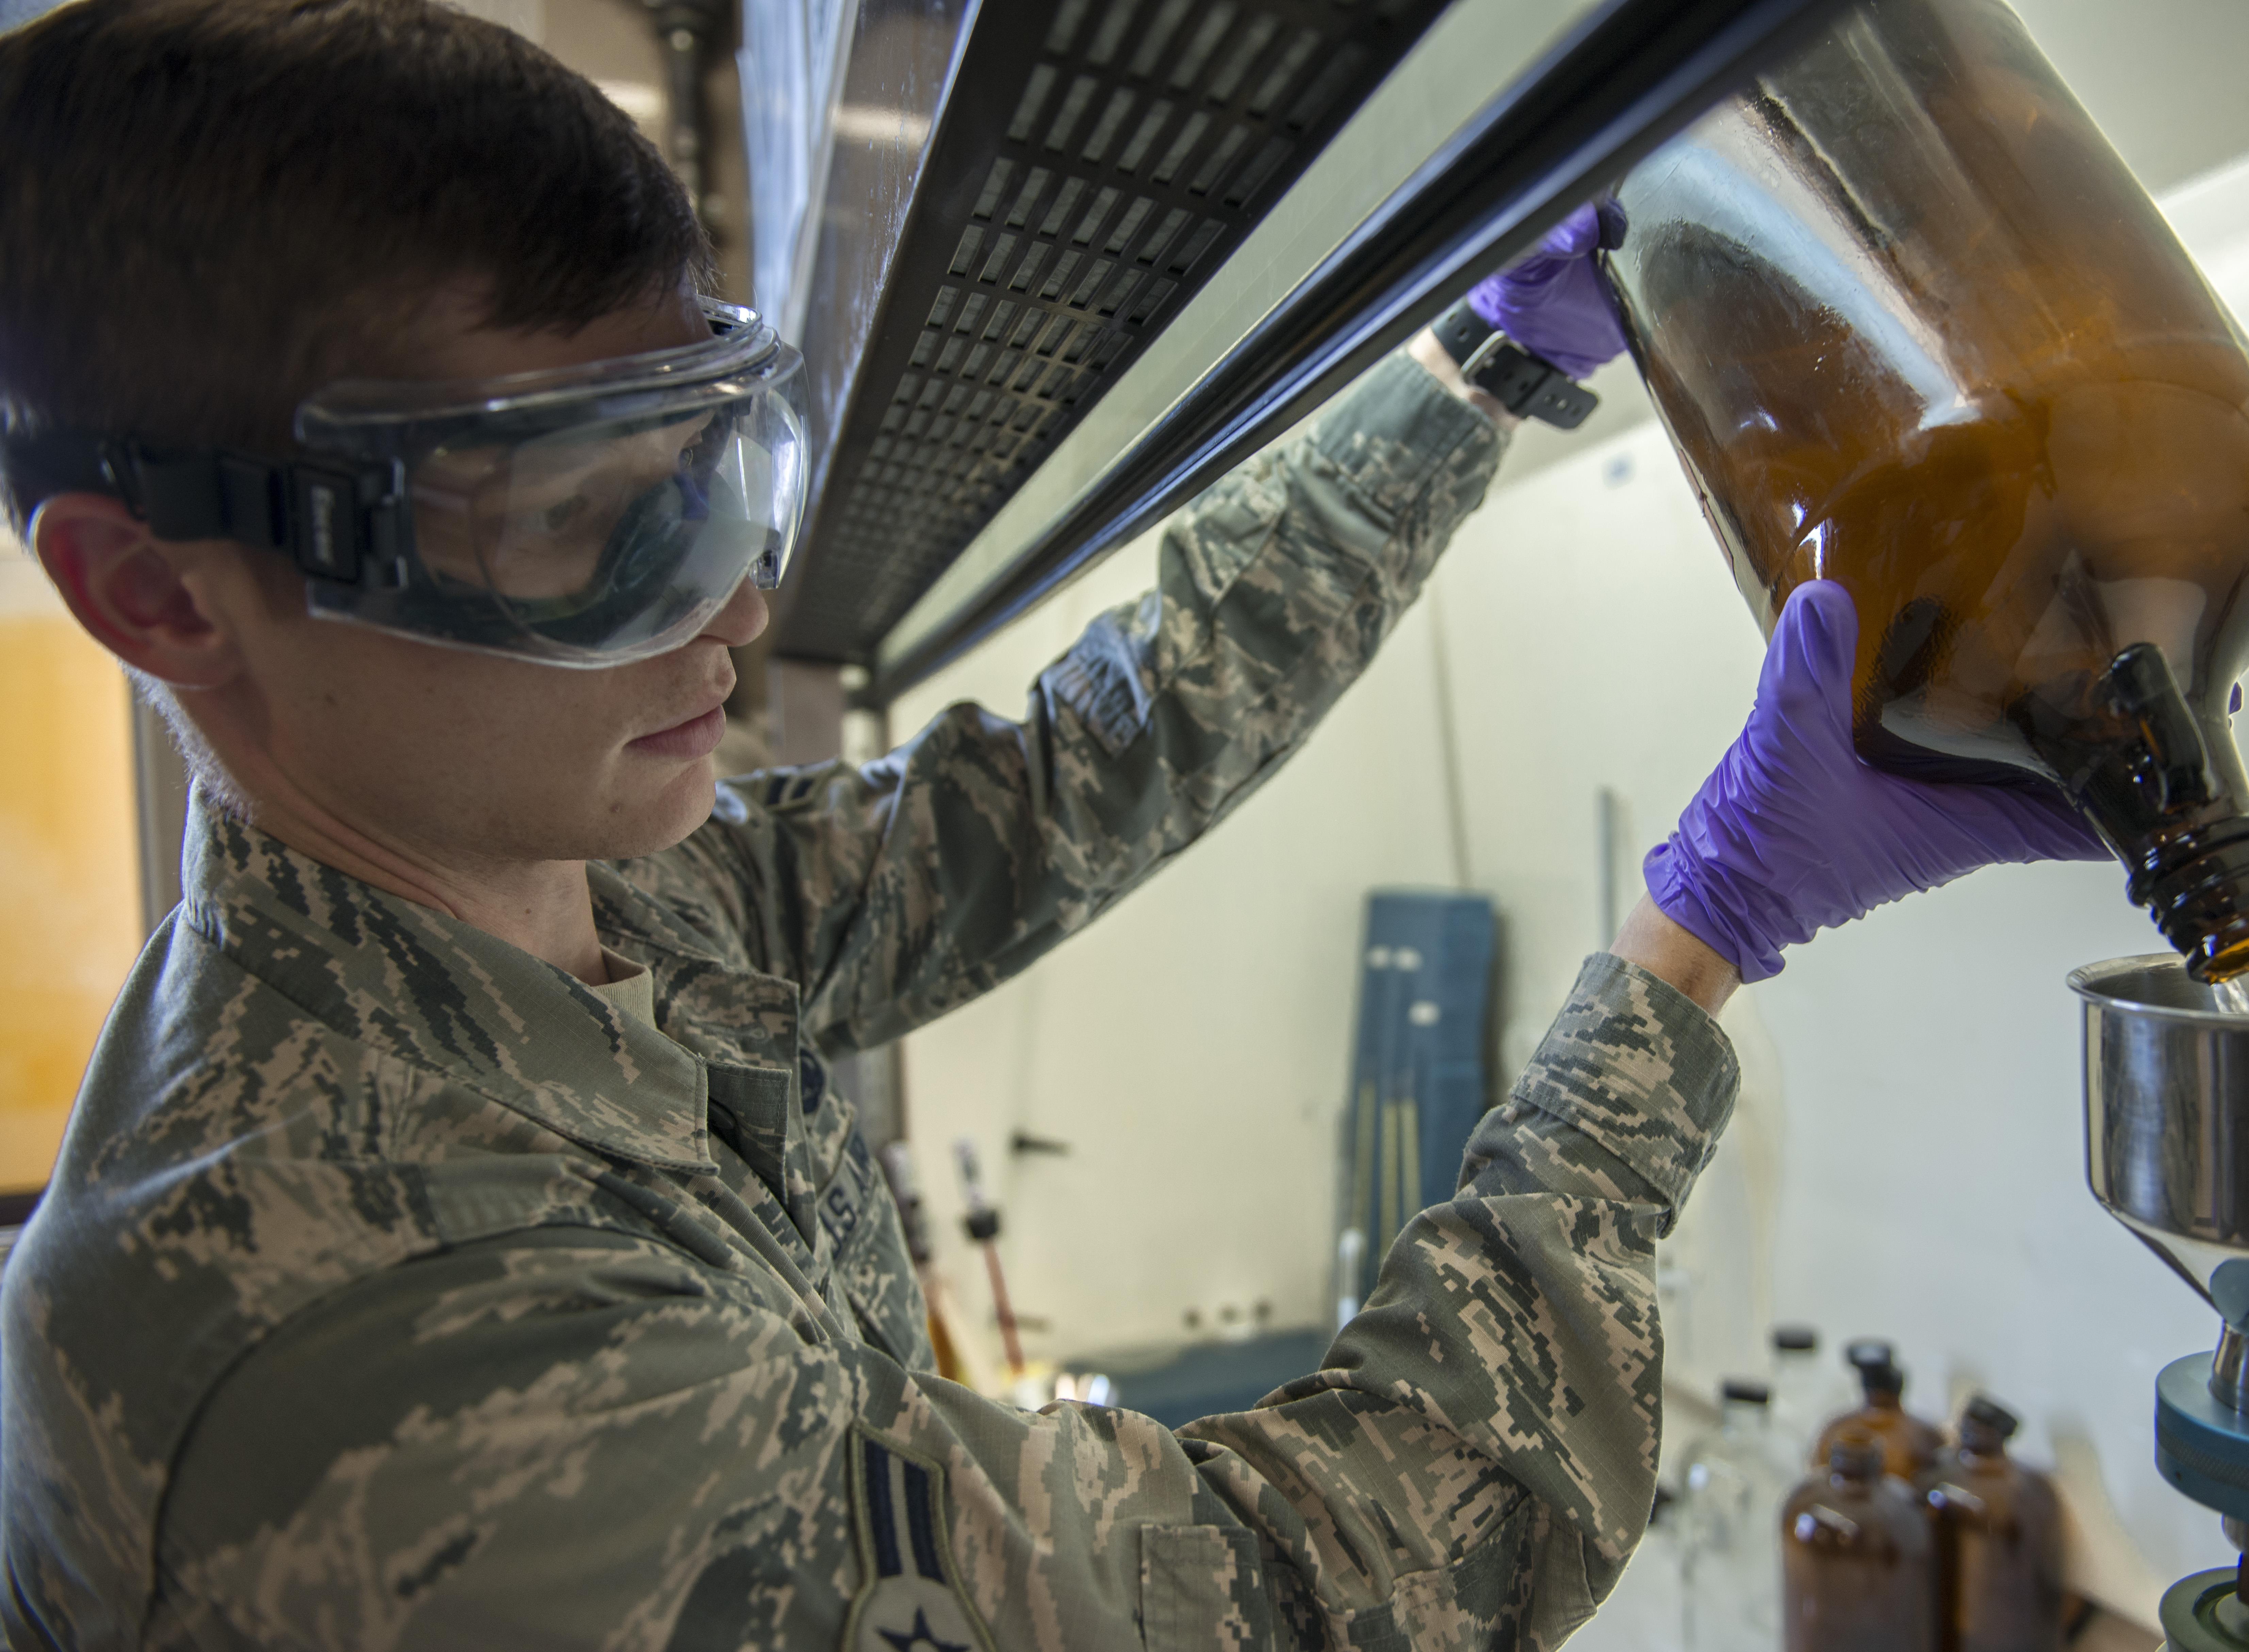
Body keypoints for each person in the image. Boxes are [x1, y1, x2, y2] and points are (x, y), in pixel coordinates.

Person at [0, 1, 2108, 1645]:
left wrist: (1476, 374)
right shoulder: (366, 1380)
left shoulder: (557, 865)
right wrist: (1692, 942)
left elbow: (1077, 773)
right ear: (160, 592)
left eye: (716, 462)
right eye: (574, 520)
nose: (731, 606)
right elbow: (1319, 1584)